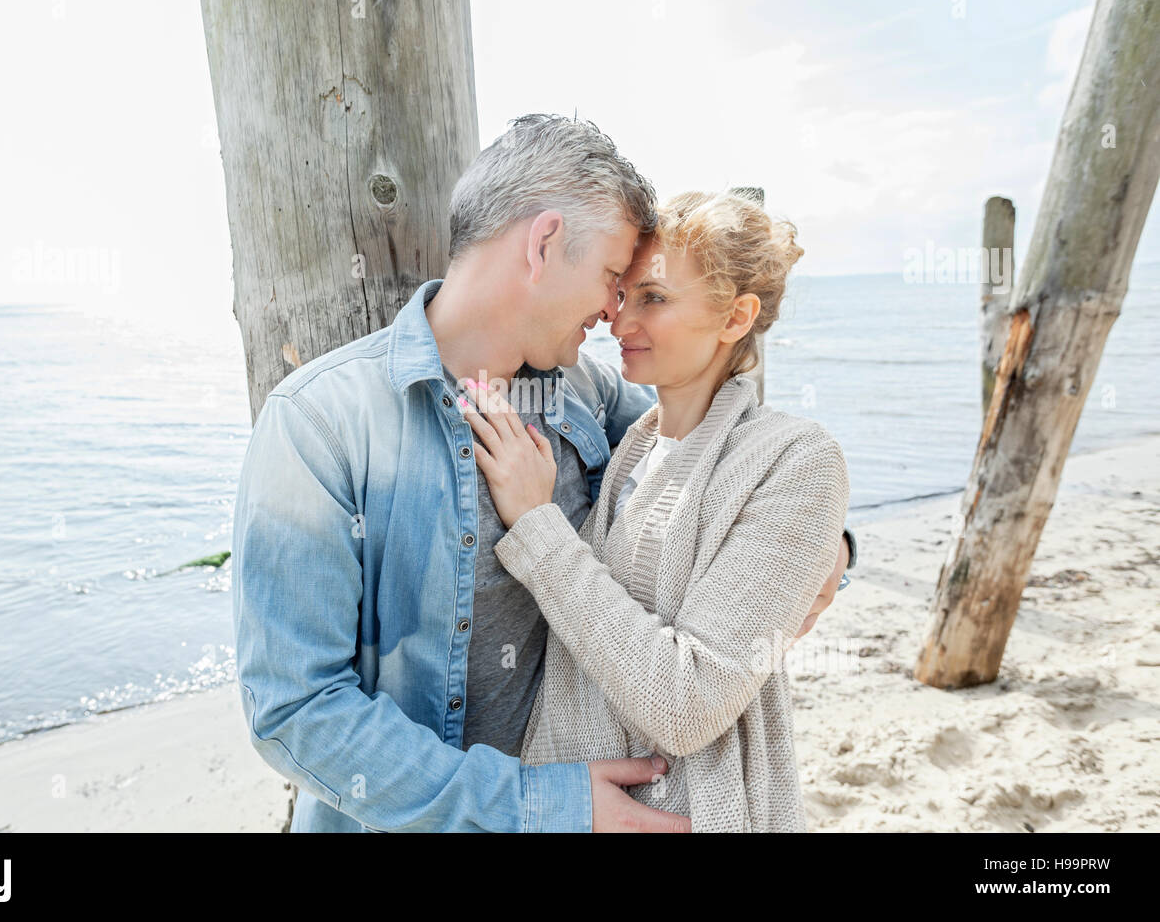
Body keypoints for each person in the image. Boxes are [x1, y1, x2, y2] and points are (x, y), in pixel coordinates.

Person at [231, 114, 855, 832]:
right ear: (545, 245)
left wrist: (830, 546)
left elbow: (729, 465)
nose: (613, 313)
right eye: (614, 278)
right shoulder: (319, 425)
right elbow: (295, 711)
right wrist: (536, 806)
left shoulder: (587, 398)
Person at [460, 190, 849, 831]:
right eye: (623, 293)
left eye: (655, 299)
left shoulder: (798, 459)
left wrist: (536, 527)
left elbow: (688, 703)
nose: (618, 322)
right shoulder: (632, 444)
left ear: (735, 317)